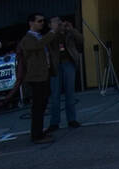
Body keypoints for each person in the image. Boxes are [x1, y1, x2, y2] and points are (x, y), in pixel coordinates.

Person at [18, 12, 54, 143]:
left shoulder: (39, 36)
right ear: (31, 23)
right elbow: (37, 46)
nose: (42, 23)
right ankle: (36, 135)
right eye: (39, 21)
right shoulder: (27, 39)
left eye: (43, 21)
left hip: (43, 75)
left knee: (42, 105)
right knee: (38, 107)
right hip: (35, 77)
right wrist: (52, 32)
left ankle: (39, 132)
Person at [47, 15, 83, 130]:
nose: (59, 23)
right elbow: (45, 44)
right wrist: (54, 31)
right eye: (55, 22)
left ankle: (71, 119)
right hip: (55, 66)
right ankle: (54, 122)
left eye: (59, 21)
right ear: (50, 25)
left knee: (70, 93)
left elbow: (81, 40)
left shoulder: (68, 33)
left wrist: (71, 29)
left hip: (68, 64)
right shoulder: (50, 36)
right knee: (55, 95)